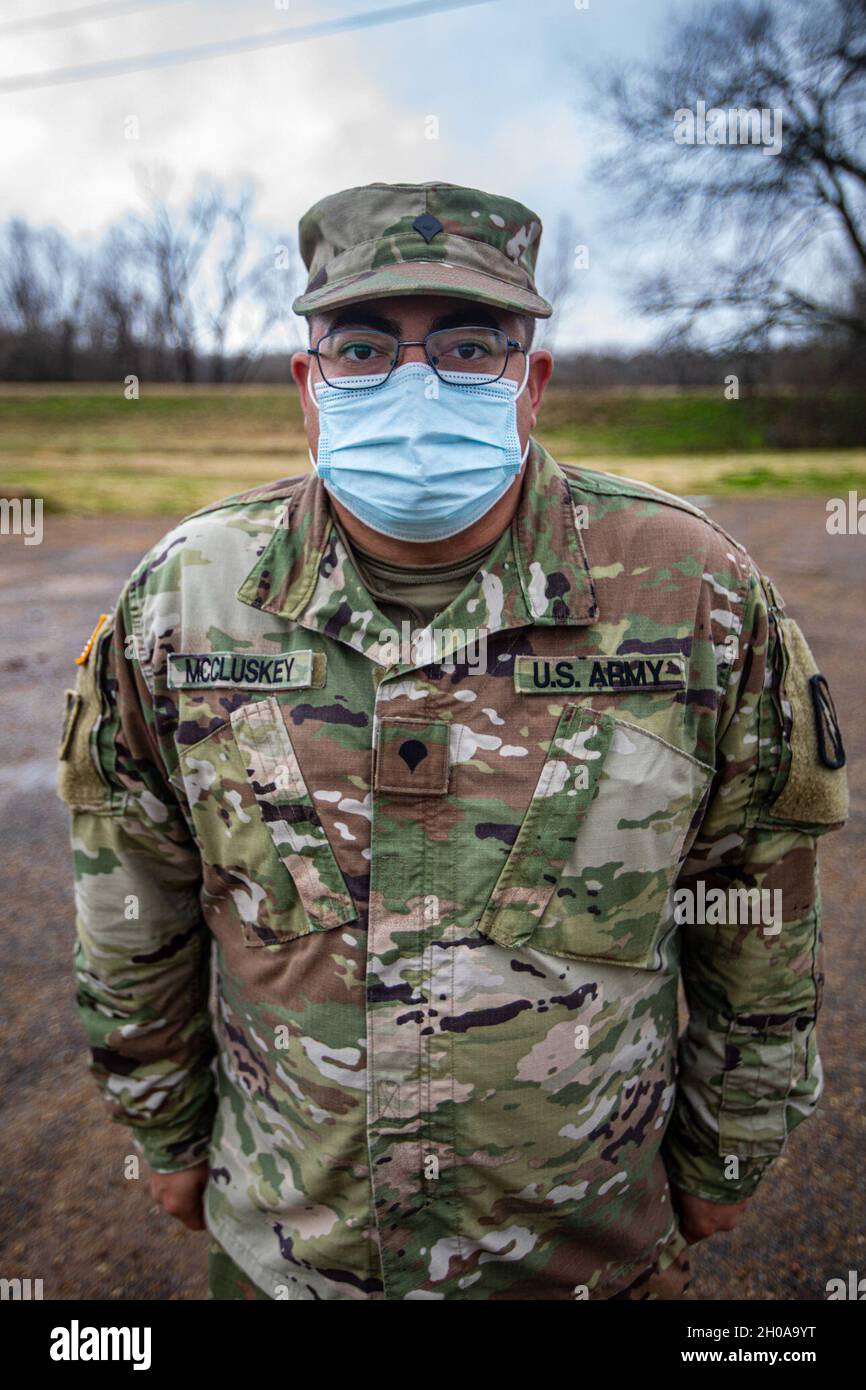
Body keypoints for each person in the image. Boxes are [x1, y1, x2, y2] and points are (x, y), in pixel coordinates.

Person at [59, 180, 848, 1301]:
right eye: (365, 347)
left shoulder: (690, 590)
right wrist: (166, 1130)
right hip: (294, 1254)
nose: (416, 381)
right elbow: (131, 897)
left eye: (470, 345)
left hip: (587, 1257)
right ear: (309, 385)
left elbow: (753, 899)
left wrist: (733, 1142)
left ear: (531, 382)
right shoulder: (185, 601)